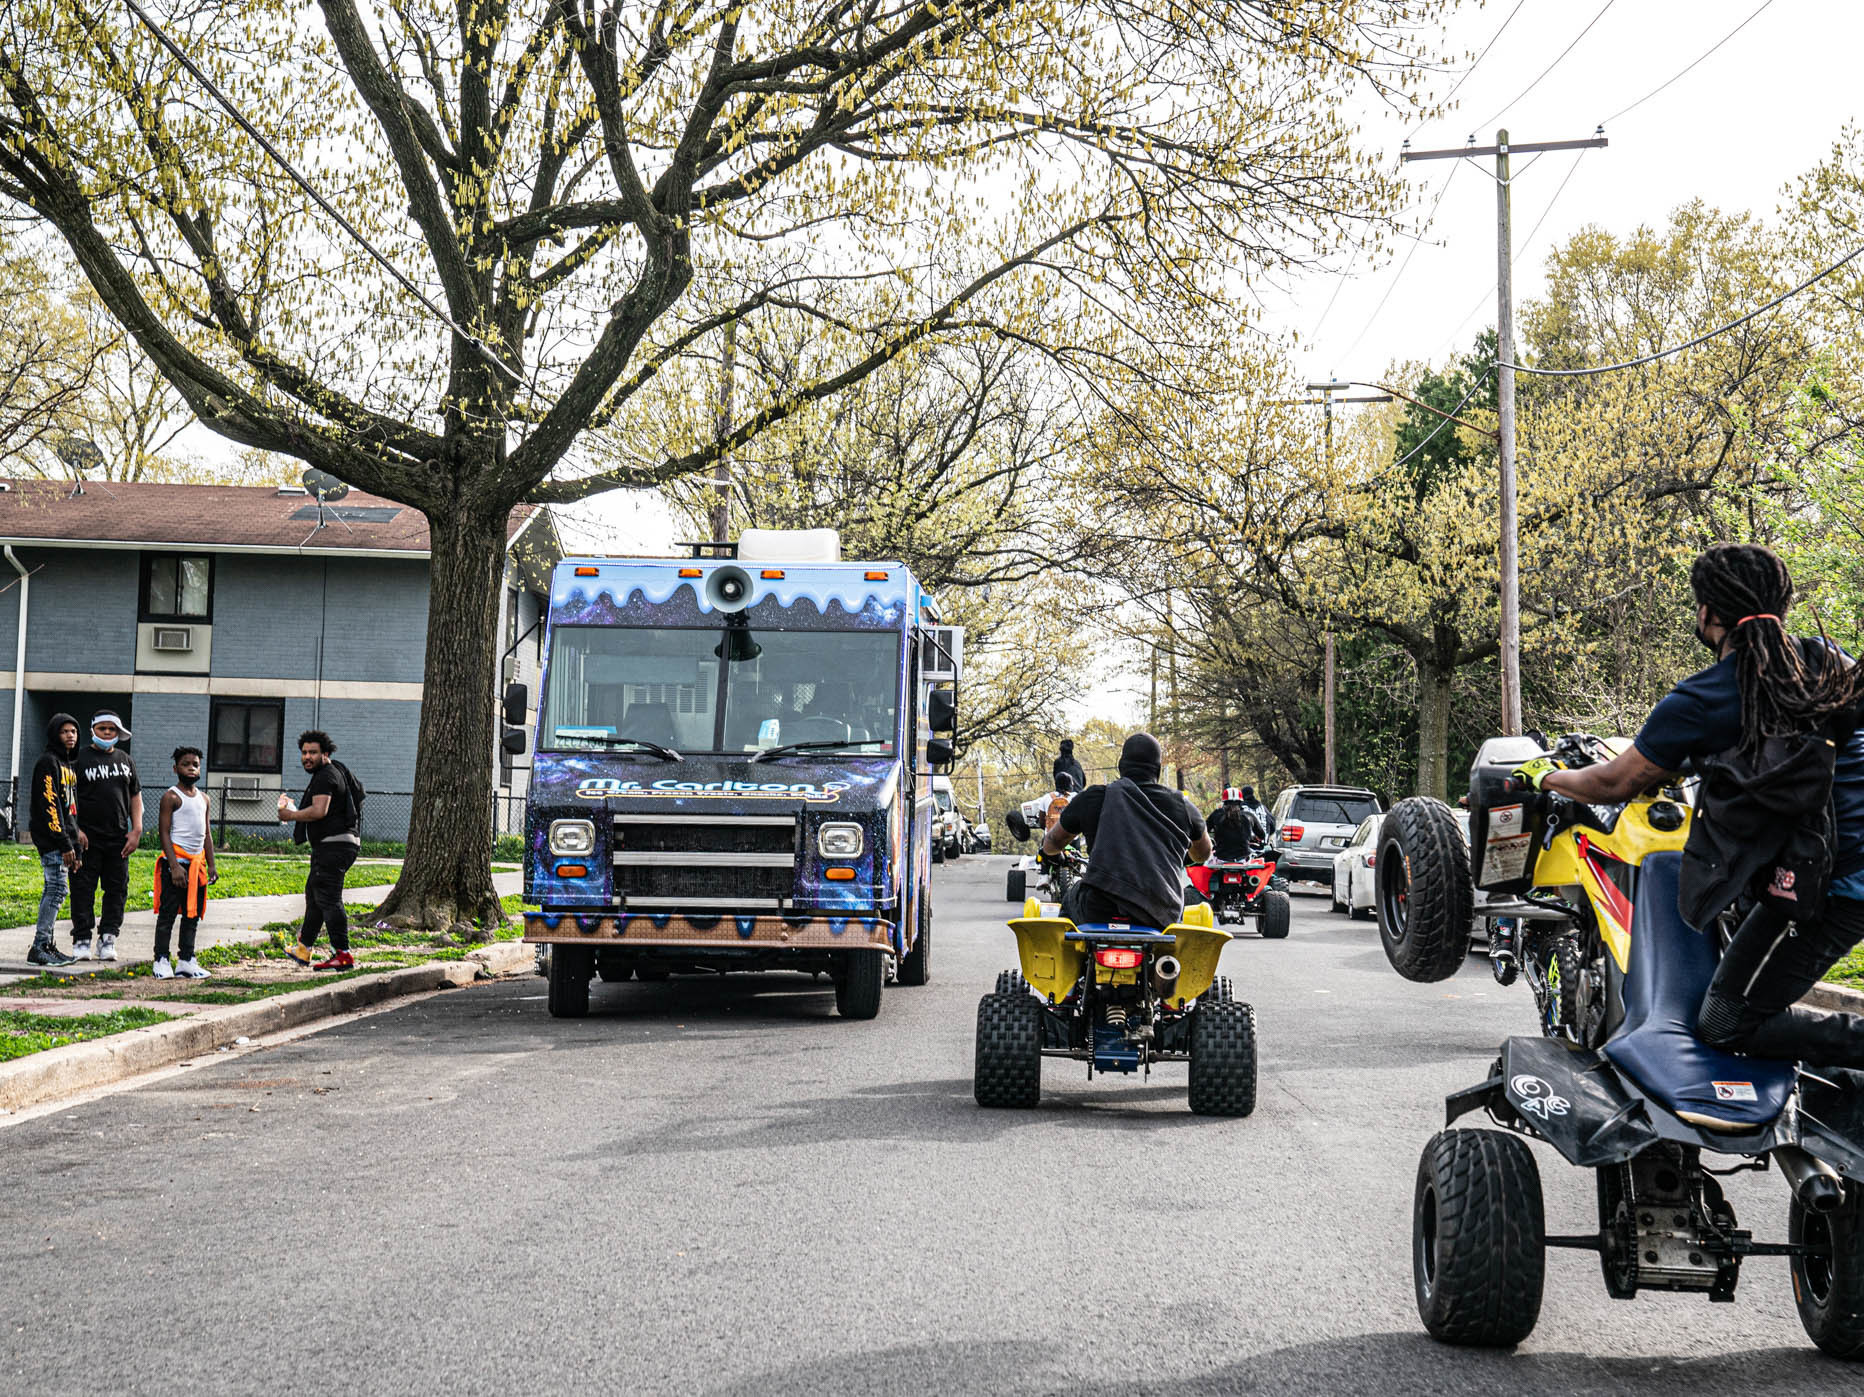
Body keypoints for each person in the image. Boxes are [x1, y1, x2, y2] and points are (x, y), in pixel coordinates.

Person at [1517, 542, 1864, 1067]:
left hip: (1836, 884)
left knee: (1725, 1021)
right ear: (1784, 604)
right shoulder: (1825, 664)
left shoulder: (1706, 697)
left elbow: (1616, 782)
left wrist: (1550, 779)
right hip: (1831, 865)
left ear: (1708, 613)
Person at [1040, 732, 1211, 929]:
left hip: (1099, 909)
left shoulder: (1093, 798)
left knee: (1070, 896)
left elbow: (1052, 843)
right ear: (1157, 770)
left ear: (1121, 767)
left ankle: (1069, 959)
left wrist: (1052, 852)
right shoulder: (1182, 806)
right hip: (1161, 913)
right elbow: (1203, 854)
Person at [277, 730, 361, 971]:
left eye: (313, 752)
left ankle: (342, 953)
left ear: (325, 754)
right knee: (315, 896)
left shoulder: (325, 776)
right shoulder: (335, 772)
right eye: (304, 753)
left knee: (328, 898)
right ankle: (303, 949)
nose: (307, 757)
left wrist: (290, 815)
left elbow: (319, 810)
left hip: (333, 846)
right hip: (338, 844)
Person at [70, 710, 141, 962]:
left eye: (112, 730)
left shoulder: (125, 759)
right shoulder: (78, 759)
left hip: (119, 839)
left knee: (117, 888)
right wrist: (75, 830)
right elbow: (67, 797)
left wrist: (137, 829)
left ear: (118, 733)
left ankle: (108, 937)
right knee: (82, 888)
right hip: (87, 839)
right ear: (93, 730)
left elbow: (135, 796)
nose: (108, 734)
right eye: (103, 729)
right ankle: (82, 939)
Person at [153, 746, 217, 980]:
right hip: (177, 863)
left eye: (196, 764)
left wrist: (211, 864)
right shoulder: (171, 797)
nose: (191, 768)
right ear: (175, 768)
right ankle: (161, 959)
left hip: (197, 866)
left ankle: (186, 960)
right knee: (168, 914)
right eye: (186, 764)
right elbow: (164, 833)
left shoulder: (204, 798)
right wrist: (174, 866)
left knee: (192, 914)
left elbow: (207, 834)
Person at [25, 712, 83, 967]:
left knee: (56, 889)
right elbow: (50, 805)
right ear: (54, 735)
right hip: (51, 839)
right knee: (57, 889)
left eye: (74, 731)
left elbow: (70, 809)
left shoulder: (68, 766)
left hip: (65, 839)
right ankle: (39, 946)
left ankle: (47, 944)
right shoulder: (48, 763)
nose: (70, 736)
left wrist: (76, 847)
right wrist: (64, 843)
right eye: (64, 731)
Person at [1206, 788, 1266, 863]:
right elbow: (1262, 835)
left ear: (1224, 802)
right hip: (1244, 859)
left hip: (1220, 859)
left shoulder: (1216, 815)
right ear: (1241, 802)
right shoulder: (1249, 816)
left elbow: (1204, 832)